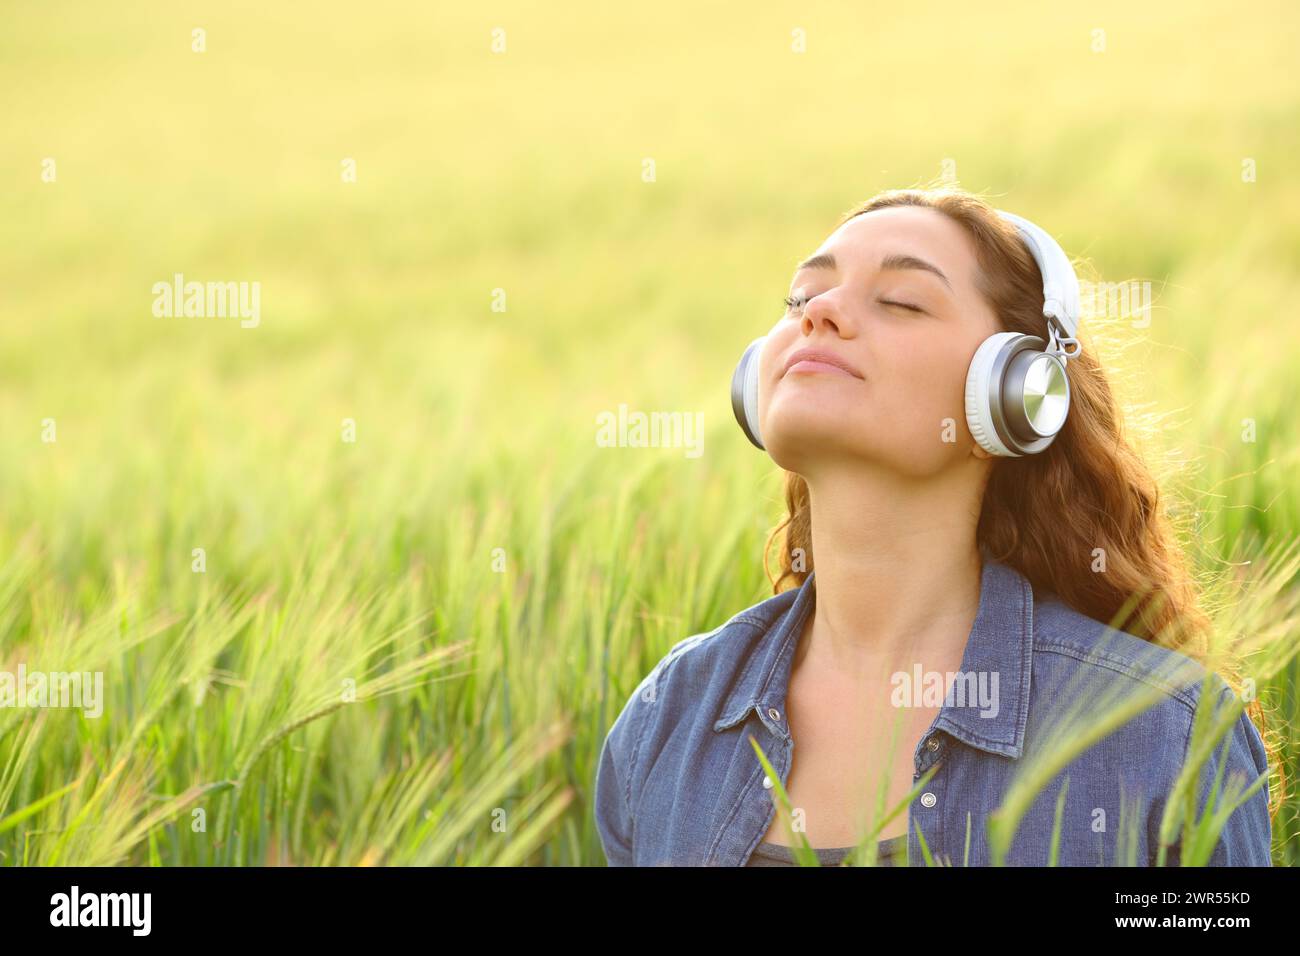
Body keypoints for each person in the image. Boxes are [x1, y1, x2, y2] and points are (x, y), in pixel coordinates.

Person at [593, 186, 1275, 866]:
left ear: (1012, 396)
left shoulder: (1160, 733)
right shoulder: (668, 716)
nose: (820, 313)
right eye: (801, 299)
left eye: (900, 302)